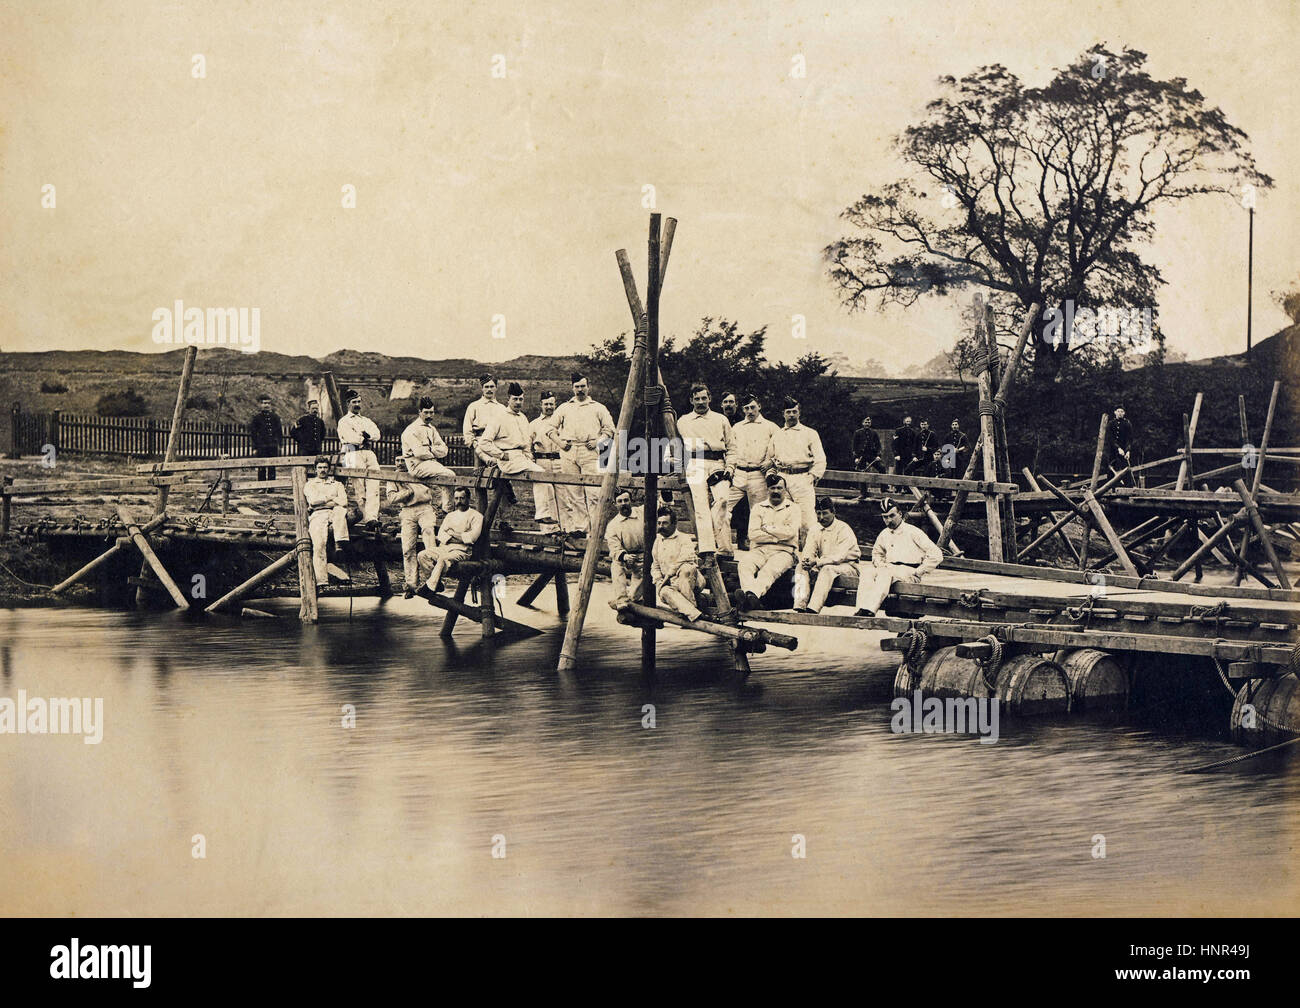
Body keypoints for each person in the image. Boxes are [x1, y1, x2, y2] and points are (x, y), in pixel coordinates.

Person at [855, 497, 943, 616]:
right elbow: (877, 553)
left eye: (892, 516)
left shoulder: (913, 532)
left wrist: (919, 571)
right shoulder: (884, 534)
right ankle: (861, 608)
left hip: (909, 572)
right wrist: (880, 564)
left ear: (900, 514)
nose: (888, 520)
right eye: (885, 517)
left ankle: (870, 610)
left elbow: (936, 554)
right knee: (867, 572)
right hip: (890, 570)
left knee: (886, 573)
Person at [675, 382, 736, 553]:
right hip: (695, 464)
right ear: (691, 401)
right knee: (701, 506)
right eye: (697, 399)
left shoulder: (721, 419)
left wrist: (730, 468)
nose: (701, 402)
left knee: (723, 501)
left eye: (704, 398)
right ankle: (707, 549)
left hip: (718, 463)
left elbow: (732, 447)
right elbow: (677, 446)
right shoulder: (683, 421)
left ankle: (724, 548)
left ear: (709, 399)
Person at [553, 372, 615, 537]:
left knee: (594, 492)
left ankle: (596, 530)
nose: (580, 390)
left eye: (583, 386)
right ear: (572, 388)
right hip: (569, 451)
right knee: (574, 492)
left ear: (588, 387)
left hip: (590, 451)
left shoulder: (598, 407)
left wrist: (598, 442)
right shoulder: (565, 407)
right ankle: (580, 528)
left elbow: (610, 429)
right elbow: (550, 429)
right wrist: (560, 443)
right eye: (577, 387)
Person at [735, 473, 800, 611]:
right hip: (759, 549)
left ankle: (751, 596)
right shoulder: (758, 508)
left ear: (785, 490)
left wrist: (767, 528)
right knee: (744, 565)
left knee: (769, 570)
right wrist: (776, 537)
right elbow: (753, 534)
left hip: (784, 551)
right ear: (767, 489)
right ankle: (750, 597)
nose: (775, 491)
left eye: (779, 488)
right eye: (772, 488)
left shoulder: (793, 508)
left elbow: (790, 532)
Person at [767, 395, 825, 545]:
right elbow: (770, 459)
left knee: (807, 521)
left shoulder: (810, 433)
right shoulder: (777, 434)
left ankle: (810, 554)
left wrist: (812, 476)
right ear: (783, 414)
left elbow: (820, 459)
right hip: (782, 480)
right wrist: (771, 476)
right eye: (788, 412)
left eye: (794, 411)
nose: (791, 415)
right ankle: (787, 554)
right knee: (783, 517)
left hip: (802, 478)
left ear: (799, 413)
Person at [476, 382, 542, 506]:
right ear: (508, 400)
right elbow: (483, 442)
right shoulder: (499, 417)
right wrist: (500, 455)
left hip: (522, 458)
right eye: (515, 399)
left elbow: (526, 443)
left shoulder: (523, 418)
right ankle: (542, 513)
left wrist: (529, 457)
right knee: (541, 475)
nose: (518, 402)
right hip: (508, 460)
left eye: (520, 399)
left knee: (543, 478)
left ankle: (543, 513)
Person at [793, 497, 862, 613]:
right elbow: (809, 550)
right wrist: (807, 561)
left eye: (825, 513)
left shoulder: (843, 529)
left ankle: (813, 608)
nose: (821, 518)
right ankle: (800, 604)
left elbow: (839, 556)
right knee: (801, 566)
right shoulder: (815, 529)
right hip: (825, 565)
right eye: (818, 514)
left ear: (833, 512)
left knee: (827, 569)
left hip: (848, 566)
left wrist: (816, 562)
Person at [727, 393, 777, 550]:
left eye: (753, 407)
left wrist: (770, 462)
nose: (750, 411)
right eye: (746, 408)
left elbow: (779, 449)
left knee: (759, 512)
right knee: (723, 505)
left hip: (758, 475)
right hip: (739, 474)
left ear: (759, 407)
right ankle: (722, 545)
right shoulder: (737, 427)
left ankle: (758, 545)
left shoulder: (770, 427)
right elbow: (730, 449)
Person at [417, 486, 482, 600]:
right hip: (445, 547)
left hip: (462, 550)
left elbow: (472, 538)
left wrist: (452, 534)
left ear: (468, 499)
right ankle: (435, 583)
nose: (459, 502)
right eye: (456, 498)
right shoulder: (450, 515)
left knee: (443, 559)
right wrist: (460, 535)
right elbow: (441, 536)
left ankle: (429, 589)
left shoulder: (476, 516)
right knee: (422, 555)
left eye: (462, 498)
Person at [388, 455, 439, 598]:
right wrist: (407, 492)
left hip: (425, 507)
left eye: (402, 460)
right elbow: (391, 498)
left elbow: (436, 485)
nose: (399, 463)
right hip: (407, 510)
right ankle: (411, 584)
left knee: (429, 535)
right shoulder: (393, 476)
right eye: (397, 460)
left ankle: (433, 579)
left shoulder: (418, 470)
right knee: (407, 547)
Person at [650, 506, 706, 622]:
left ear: (674, 524)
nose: (661, 526)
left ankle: (688, 611)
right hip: (672, 585)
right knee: (664, 591)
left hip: (691, 581)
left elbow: (684, 559)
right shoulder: (658, 541)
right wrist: (659, 581)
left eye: (665, 523)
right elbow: (655, 566)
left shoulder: (684, 538)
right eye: (659, 523)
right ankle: (694, 614)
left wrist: (668, 575)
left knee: (686, 568)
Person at [337, 391, 384, 527]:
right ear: (348, 404)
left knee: (374, 484)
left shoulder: (365, 420)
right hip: (352, 452)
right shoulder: (344, 421)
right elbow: (351, 438)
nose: (357, 405)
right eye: (354, 402)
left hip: (368, 452)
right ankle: (366, 517)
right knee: (360, 486)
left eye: (359, 402)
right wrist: (364, 437)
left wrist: (367, 436)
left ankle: (372, 517)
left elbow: (377, 434)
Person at [401, 395, 454, 512]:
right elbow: (419, 453)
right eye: (426, 412)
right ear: (419, 412)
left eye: (432, 412)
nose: (429, 416)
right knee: (450, 475)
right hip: (417, 466)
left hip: (430, 464)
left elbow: (445, 450)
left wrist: (429, 449)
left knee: (444, 483)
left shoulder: (431, 429)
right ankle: (447, 510)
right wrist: (435, 451)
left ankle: (443, 509)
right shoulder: (412, 429)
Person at [302, 456, 351, 584]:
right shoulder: (310, 484)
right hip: (318, 515)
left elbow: (344, 502)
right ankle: (322, 580)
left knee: (340, 510)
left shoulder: (337, 484)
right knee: (319, 545)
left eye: (325, 467)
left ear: (329, 469)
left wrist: (322, 501)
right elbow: (312, 501)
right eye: (320, 468)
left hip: (334, 513)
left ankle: (339, 543)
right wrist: (331, 498)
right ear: (315, 469)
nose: (322, 470)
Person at [529, 391, 565, 534]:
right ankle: (548, 531)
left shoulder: (562, 424)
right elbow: (527, 444)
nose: (549, 407)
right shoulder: (534, 424)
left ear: (555, 404)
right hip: (542, 461)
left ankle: (565, 529)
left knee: (563, 494)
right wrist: (531, 461)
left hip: (559, 460)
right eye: (546, 404)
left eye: (551, 403)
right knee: (545, 495)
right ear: (541, 405)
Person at [604, 490, 644, 609]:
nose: (623, 504)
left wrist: (664, 492)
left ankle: (633, 597)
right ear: (615, 504)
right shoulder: (613, 525)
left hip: (644, 555)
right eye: (620, 501)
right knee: (616, 566)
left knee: (643, 575)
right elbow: (614, 547)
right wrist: (625, 556)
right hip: (626, 556)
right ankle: (621, 599)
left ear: (631, 501)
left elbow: (662, 503)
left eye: (626, 500)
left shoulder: (641, 512)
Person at [463, 375, 506, 455]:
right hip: (479, 443)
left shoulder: (502, 408)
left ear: (496, 388)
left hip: (498, 444)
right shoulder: (473, 406)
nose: (489, 389)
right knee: (480, 467)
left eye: (492, 386)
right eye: (486, 387)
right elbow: (467, 429)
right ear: (482, 388)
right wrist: (473, 444)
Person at [248, 394, 282, 482]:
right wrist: (255, 447)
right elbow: (254, 434)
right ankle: (262, 486)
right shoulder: (256, 418)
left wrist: (280, 445)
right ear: (260, 405)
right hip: (261, 446)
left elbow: (279, 432)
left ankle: (271, 486)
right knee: (261, 466)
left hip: (272, 446)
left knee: (272, 467)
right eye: (264, 403)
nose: (266, 405)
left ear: (271, 405)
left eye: (268, 403)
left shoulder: (275, 417)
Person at [852, 416, 883, 502]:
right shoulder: (857, 433)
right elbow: (854, 447)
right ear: (862, 423)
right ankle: (863, 493)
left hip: (871, 455)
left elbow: (878, 445)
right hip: (861, 456)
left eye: (869, 422)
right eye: (866, 422)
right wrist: (856, 458)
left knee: (882, 468)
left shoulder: (874, 433)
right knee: (862, 472)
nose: (867, 424)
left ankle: (884, 488)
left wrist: (878, 455)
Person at [1109, 407, 1134, 485]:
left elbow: (1129, 439)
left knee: (1126, 469)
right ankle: (1111, 488)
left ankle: (1127, 488)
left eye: (1122, 411)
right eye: (1118, 411)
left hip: (1124, 451)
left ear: (1124, 413)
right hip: (1113, 450)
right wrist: (1118, 448)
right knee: (1112, 468)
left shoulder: (1127, 423)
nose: (1120, 413)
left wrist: (1128, 451)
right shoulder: (1111, 423)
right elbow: (1110, 438)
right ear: (1115, 412)